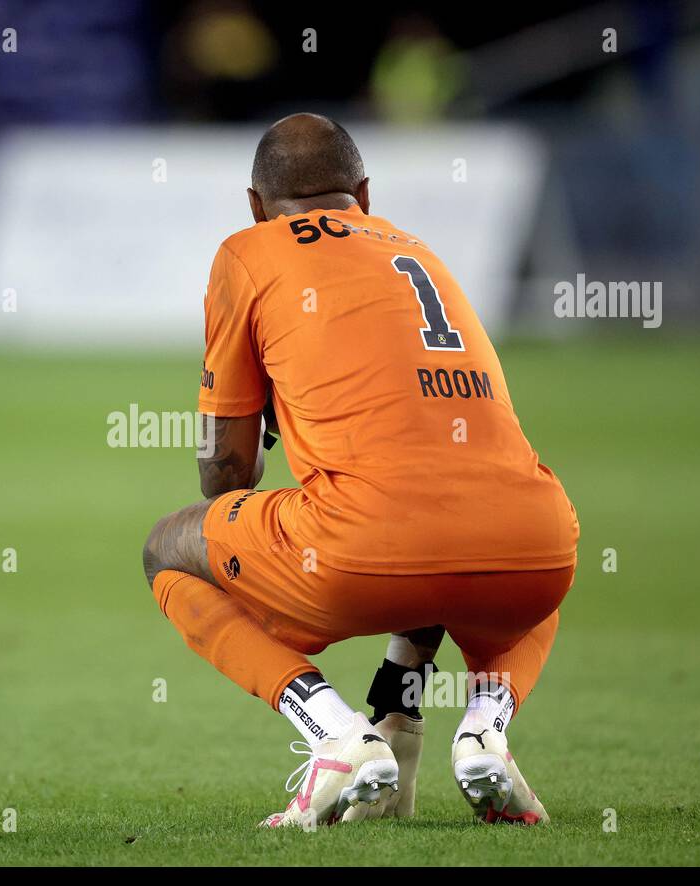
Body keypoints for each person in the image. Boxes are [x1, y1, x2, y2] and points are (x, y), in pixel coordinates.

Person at [143, 113, 579, 828]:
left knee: (168, 548)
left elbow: (227, 475)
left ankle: (338, 737)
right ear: (365, 193)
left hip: (361, 550)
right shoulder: (421, 252)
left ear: (256, 205)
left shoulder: (247, 251)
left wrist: (268, 433)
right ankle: (480, 730)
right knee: (503, 536)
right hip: (535, 544)